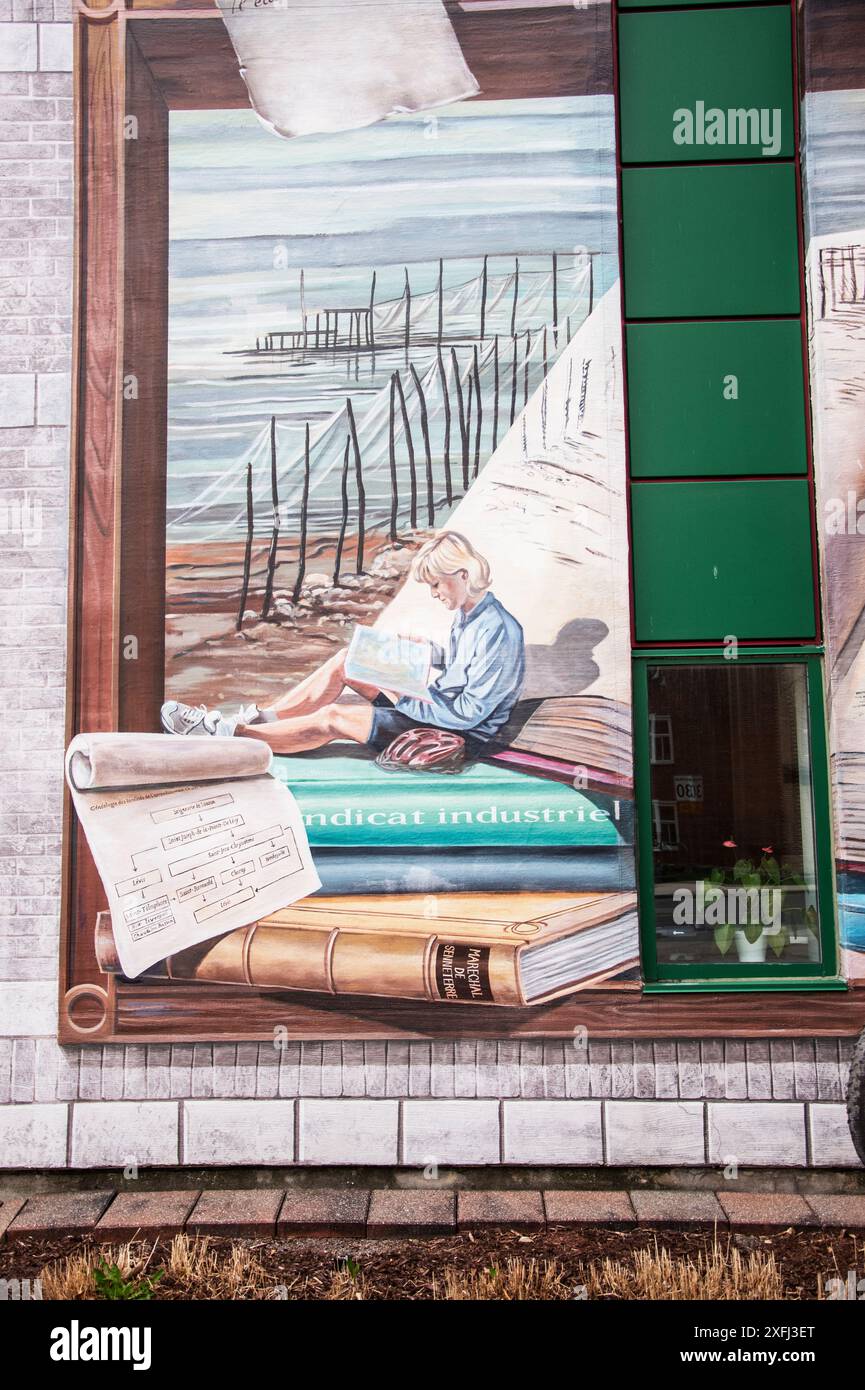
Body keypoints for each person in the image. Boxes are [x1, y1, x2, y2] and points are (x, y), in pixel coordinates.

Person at [161, 531, 525, 758]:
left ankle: (233, 737)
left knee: (332, 718)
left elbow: (468, 714)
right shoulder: (473, 616)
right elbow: (469, 666)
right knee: (346, 660)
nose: (433, 594)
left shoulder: (499, 629)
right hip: (438, 714)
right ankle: (262, 718)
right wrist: (429, 654)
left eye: (436, 584)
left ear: (463, 575)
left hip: (452, 736)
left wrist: (404, 693)